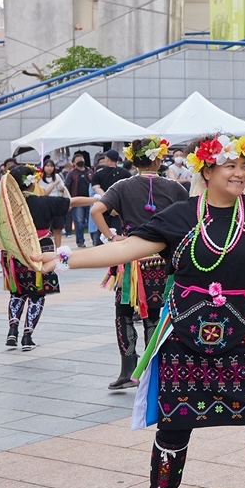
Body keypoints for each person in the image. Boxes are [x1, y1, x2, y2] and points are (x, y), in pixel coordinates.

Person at [37, 132, 245, 488]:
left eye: (244, 167)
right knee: (175, 427)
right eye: (230, 167)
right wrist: (64, 258)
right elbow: (126, 248)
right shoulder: (180, 215)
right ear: (207, 170)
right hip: (185, 334)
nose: (240, 174)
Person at [89, 137, 187, 389]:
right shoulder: (175, 187)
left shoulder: (122, 186)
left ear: (134, 159)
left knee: (124, 314)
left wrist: (113, 236)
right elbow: (188, 217)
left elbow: (95, 210)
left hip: (131, 258)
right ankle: (157, 368)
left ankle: (127, 369)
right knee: (157, 313)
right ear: (157, 158)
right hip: (164, 259)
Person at [2, 165, 72, 351]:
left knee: (17, 292)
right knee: (37, 293)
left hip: (17, 250)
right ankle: (27, 336)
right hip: (42, 248)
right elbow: (70, 202)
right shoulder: (44, 202)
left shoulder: (8, 206)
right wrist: (97, 199)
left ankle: (12, 329)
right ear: (33, 183)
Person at [39, 158, 68, 250]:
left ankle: (58, 249)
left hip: (57, 203)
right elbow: (44, 193)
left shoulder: (57, 176)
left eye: (51, 166)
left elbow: (62, 188)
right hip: (46, 204)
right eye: (47, 166)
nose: (49, 168)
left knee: (58, 229)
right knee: (46, 229)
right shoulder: (40, 178)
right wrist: (54, 184)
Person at [66, 155, 94, 246]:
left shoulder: (90, 172)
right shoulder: (71, 174)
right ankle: (80, 241)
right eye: (78, 160)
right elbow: (67, 188)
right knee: (79, 222)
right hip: (77, 202)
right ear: (74, 163)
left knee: (92, 221)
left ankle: (95, 239)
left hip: (90, 200)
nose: (81, 161)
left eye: (82, 160)